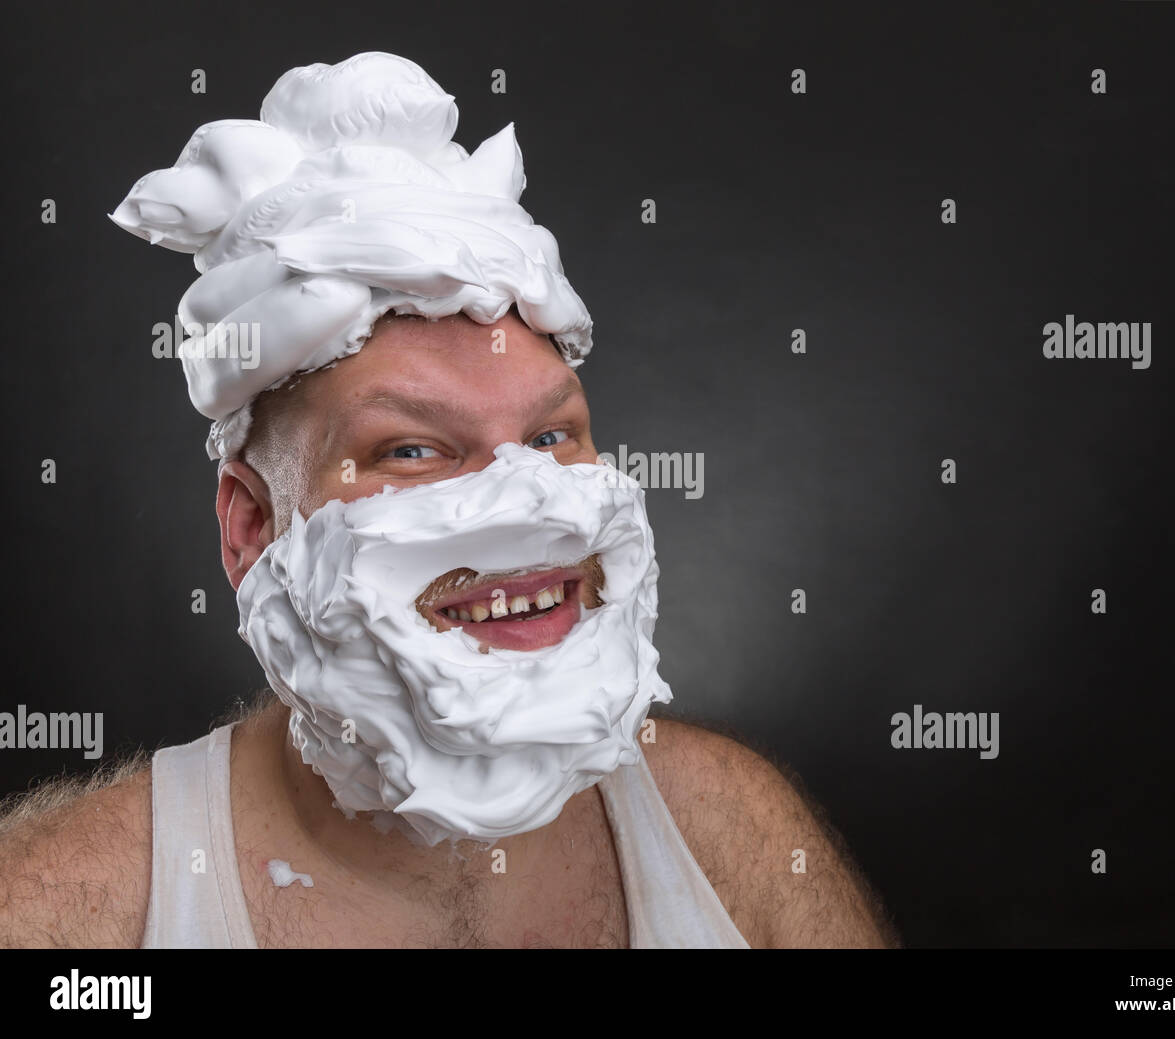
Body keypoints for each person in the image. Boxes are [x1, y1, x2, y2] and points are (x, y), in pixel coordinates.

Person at [0, 52, 899, 949]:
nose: (529, 503)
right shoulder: (65, 915)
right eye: (414, 448)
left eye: (552, 437)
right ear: (252, 529)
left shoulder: (741, 841)